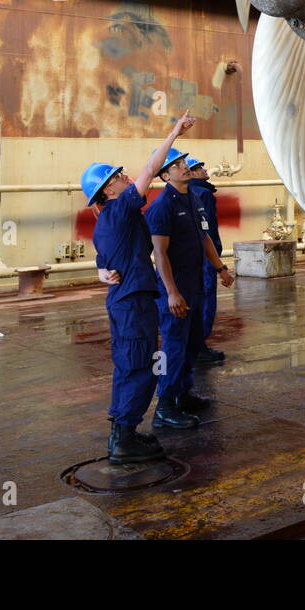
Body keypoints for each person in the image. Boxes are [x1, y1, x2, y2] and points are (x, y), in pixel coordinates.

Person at [83, 109, 195, 464]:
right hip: (132, 304)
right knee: (138, 368)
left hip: (123, 300)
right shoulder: (119, 209)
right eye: (117, 176)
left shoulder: (108, 221)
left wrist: (102, 270)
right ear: (108, 190)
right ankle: (124, 440)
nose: (125, 177)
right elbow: (150, 170)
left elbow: (105, 256)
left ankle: (121, 429)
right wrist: (174, 132)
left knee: (127, 365)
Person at [145, 146, 235, 429]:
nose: (184, 166)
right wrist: (171, 292)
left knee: (191, 343)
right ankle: (165, 407)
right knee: (173, 346)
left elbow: (204, 238)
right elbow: (159, 254)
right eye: (177, 164)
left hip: (195, 283)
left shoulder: (194, 197)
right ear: (164, 174)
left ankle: (183, 394)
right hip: (176, 289)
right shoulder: (161, 207)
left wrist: (220, 268)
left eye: (184, 161)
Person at [186, 158, 228, 365]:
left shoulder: (193, 192)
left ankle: (195, 344)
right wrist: (217, 262)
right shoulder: (201, 193)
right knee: (206, 300)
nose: (203, 170)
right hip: (206, 257)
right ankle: (199, 346)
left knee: (199, 300)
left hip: (198, 256)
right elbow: (207, 230)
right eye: (198, 168)